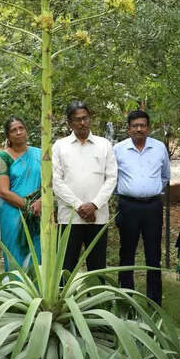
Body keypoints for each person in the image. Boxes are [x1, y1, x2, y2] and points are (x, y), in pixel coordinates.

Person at [53, 100, 117, 274]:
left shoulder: (104, 145)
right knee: (66, 267)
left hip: (97, 216)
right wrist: (79, 206)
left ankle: (97, 302)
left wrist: (94, 205)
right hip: (69, 217)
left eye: (85, 118)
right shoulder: (60, 146)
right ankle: (64, 302)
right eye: (77, 119)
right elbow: (56, 181)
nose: (82, 123)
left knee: (97, 267)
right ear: (69, 123)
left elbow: (111, 178)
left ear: (90, 119)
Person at [113, 110, 171, 303]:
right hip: (128, 206)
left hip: (152, 207)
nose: (139, 129)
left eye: (143, 125)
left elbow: (165, 176)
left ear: (149, 128)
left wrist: (148, 191)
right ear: (128, 129)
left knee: (153, 255)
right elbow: (113, 178)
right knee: (126, 253)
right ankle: (125, 299)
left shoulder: (159, 147)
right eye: (135, 126)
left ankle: (154, 301)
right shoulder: (119, 149)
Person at [0, 117, 43, 270]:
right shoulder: (3, 158)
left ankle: (39, 292)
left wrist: (41, 201)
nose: (18, 132)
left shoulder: (40, 154)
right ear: (8, 136)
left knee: (39, 255)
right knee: (16, 256)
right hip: (13, 214)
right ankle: (17, 292)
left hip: (39, 212)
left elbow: (50, 182)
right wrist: (29, 206)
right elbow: (3, 191)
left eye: (21, 128)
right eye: (13, 130)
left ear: (26, 130)